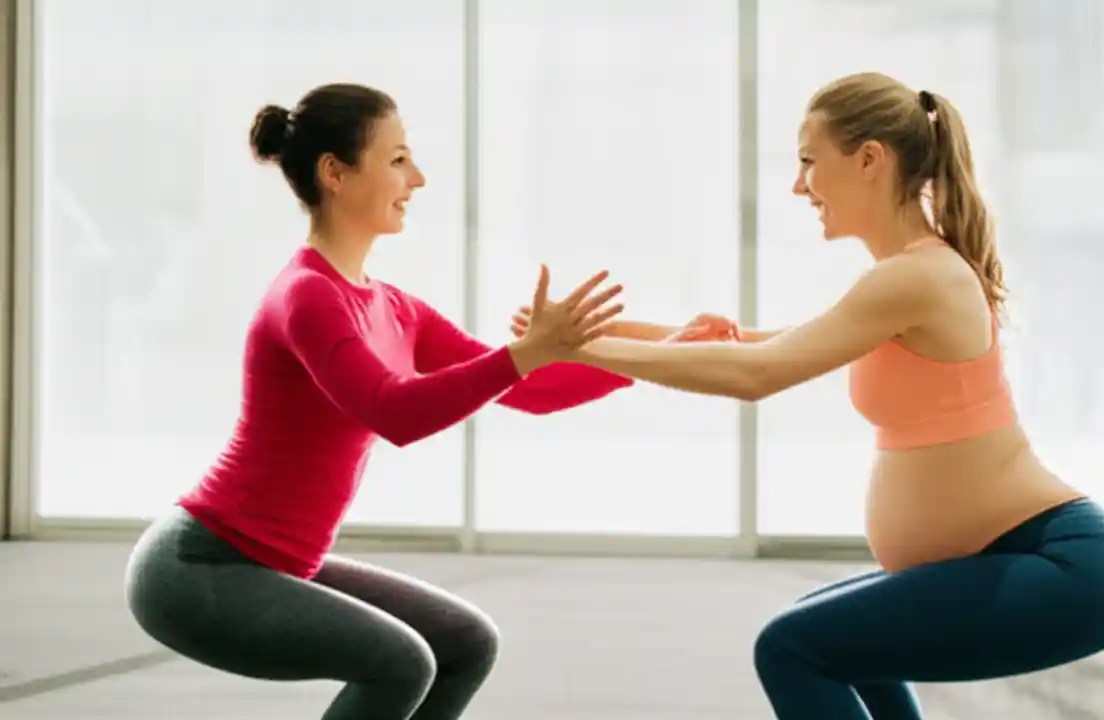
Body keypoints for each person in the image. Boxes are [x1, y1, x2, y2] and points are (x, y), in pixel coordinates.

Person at [522, 72, 1104, 719]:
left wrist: (576, 350)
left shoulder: (916, 277)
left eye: (807, 162)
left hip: (1065, 567)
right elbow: (754, 347)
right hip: (1027, 557)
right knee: (824, 635)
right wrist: (594, 334)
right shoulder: (901, 279)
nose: (799, 186)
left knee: (793, 647)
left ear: (870, 159)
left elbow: (756, 373)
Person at [122, 82, 730, 720]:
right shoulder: (307, 296)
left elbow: (530, 391)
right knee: (400, 662)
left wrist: (666, 354)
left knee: (464, 642)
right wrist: (527, 351)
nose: (418, 177)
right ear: (335, 173)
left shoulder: (391, 306)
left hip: (271, 562)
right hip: (199, 569)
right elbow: (396, 411)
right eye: (397, 159)